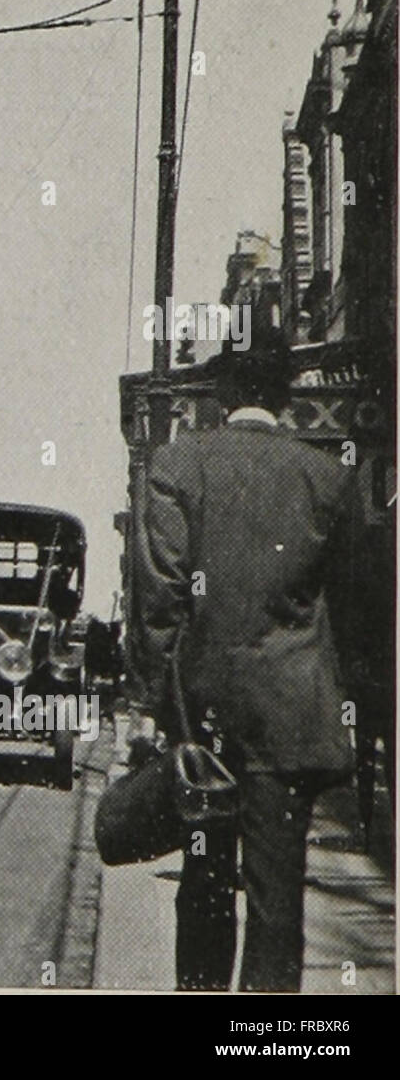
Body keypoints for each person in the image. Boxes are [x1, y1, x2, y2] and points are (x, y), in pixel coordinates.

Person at [134, 332, 359, 993]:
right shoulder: (328, 478)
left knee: (204, 881)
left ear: (223, 396)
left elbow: (161, 600)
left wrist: (159, 707)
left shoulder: (179, 465)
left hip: (202, 715)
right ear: (286, 399)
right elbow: (355, 603)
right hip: (291, 720)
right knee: (277, 897)